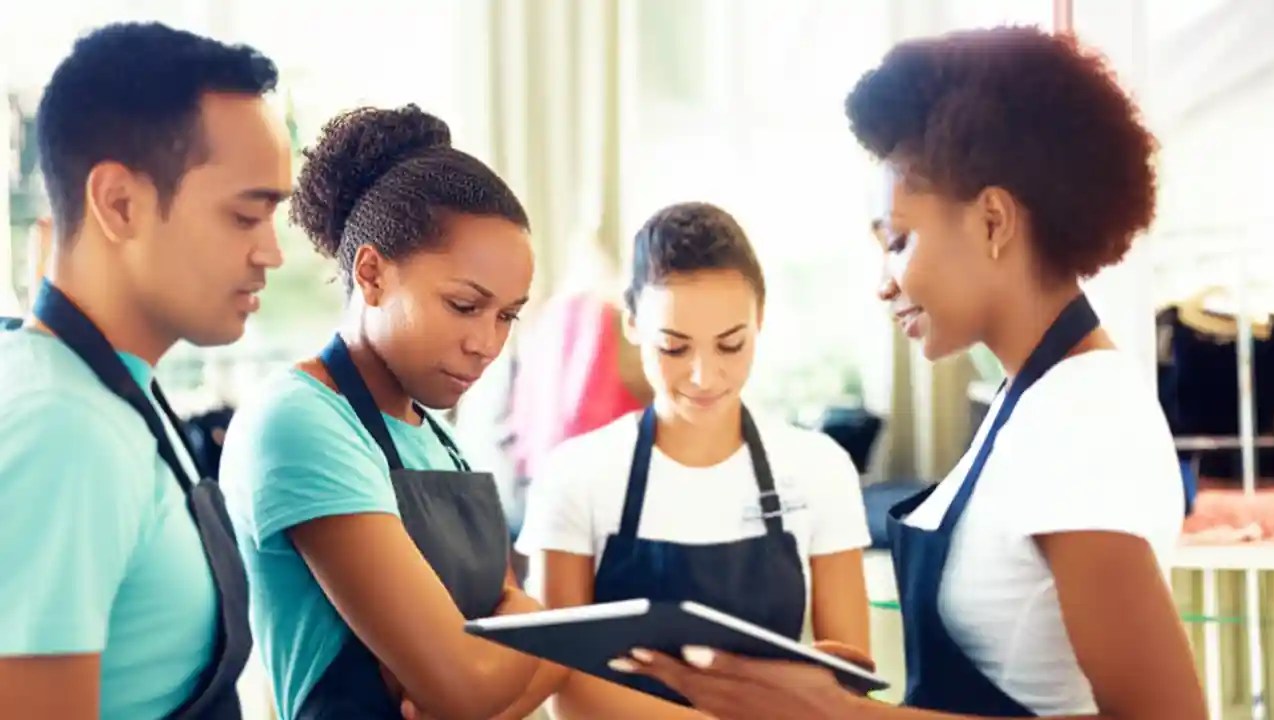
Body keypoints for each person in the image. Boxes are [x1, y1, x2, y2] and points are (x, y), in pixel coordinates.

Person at [615, 26, 1209, 720]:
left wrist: (838, 714)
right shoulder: (1037, 401)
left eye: (897, 241)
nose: (883, 283)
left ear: (993, 221)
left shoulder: (1078, 419)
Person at [218, 104, 565, 720]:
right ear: (371, 274)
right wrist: (525, 643)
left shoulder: (438, 437)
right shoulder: (302, 423)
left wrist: (525, 642)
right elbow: (469, 684)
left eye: (506, 315)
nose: (486, 342)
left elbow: (532, 653)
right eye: (464, 305)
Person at [0, 23, 290, 719]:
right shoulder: (63, 431)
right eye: (245, 217)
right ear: (119, 203)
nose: (272, 254)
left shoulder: (115, 394)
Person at [516, 201, 874, 719]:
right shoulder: (576, 474)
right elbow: (565, 693)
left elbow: (850, 683)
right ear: (634, 324)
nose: (704, 376)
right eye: (674, 347)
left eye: (730, 345)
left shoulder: (820, 469)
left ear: (760, 320)